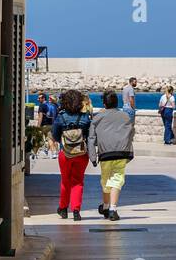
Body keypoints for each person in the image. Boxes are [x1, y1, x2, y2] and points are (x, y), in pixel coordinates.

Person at [88, 89, 134, 222]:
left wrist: (92, 157)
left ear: (104, 103)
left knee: (106, 179)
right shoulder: (126, 116)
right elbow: (131, 133)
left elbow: (91, 138)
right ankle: (110, 207)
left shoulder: (97, 118)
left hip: (105, 153)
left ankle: (109, 207)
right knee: (117, 180)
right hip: (122, 152)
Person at [51, 90, 92, 220]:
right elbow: (89, 134)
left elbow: (55, 135)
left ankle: (63, 208)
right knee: (78, 181)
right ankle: (76, 210)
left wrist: (64, 142)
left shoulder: (61, 117)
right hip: (81, 153)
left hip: (65, 153)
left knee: (65, 181)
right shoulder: (85, 117)